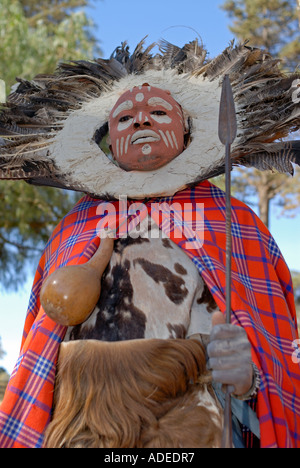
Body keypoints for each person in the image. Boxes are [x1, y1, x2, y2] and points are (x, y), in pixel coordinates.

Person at [0, 39, 299, 448]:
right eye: (125, 119)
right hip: (81, 416)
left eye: (158, 113)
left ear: (186, 132)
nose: (142, 122)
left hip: (192, 417)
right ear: (108, 140)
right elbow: (44, 335)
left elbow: (273, 339)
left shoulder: (234, 222)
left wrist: (250, 378)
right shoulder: (76, 227)